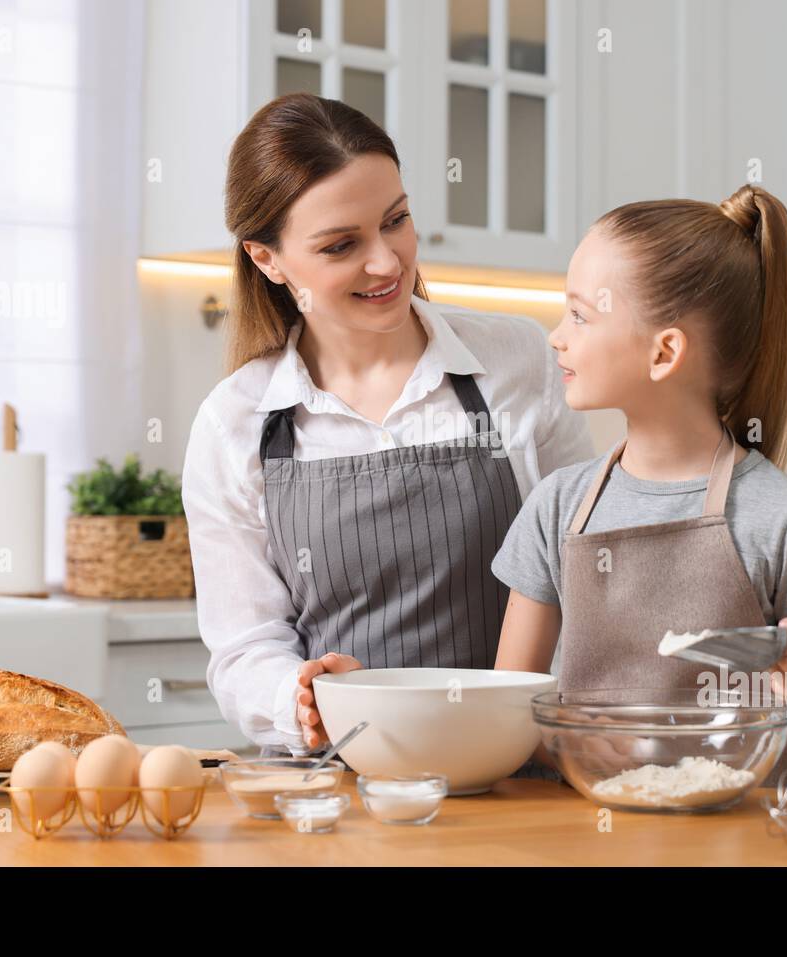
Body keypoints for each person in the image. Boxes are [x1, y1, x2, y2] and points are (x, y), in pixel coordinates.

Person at [182, 94, 594, 757]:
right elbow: (244, 648)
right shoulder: (236, 424)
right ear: (267, 259)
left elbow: (590, 579)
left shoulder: (519, 362)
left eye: (396, 220)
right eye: (342, 244)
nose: (387, 262)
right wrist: (301, 694)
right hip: (341, 788)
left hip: (521, 774)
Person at [490, 186, 787, 786]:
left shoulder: (782, 516)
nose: (557, 336)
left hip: (745, 841)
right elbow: (506, 711)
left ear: (665, 352)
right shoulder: (557, 506)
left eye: (581, 316)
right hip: (593, 835)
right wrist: (574, 742)